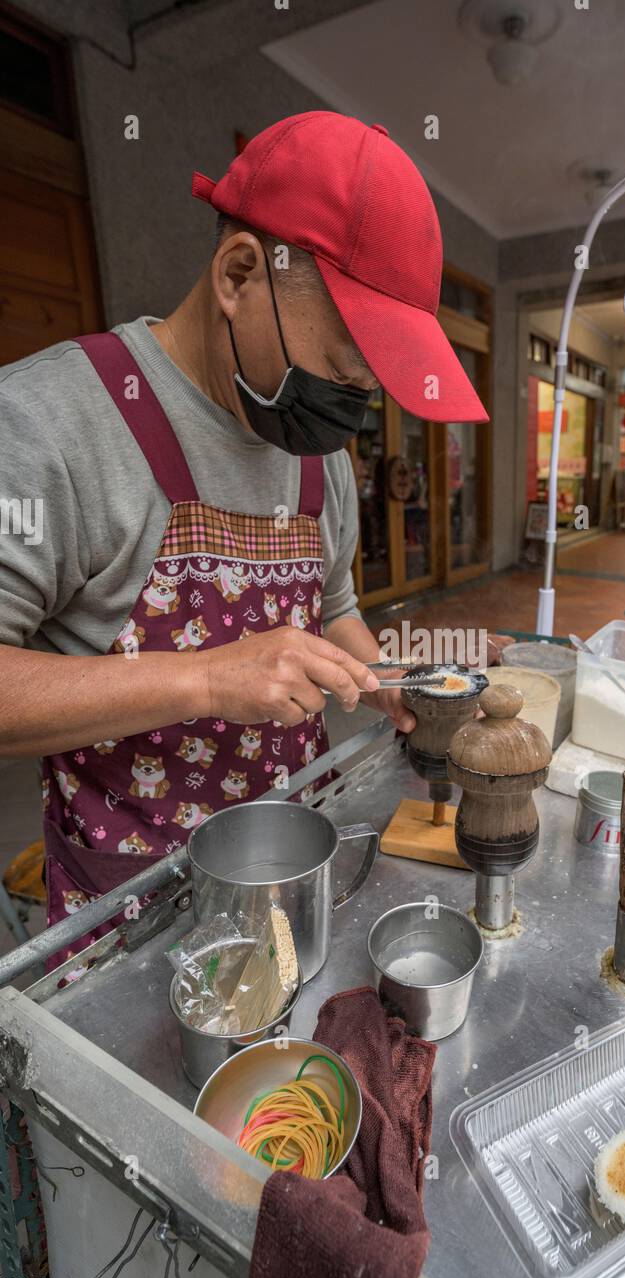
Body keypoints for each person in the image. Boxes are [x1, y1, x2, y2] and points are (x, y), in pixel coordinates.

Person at [0, 111, 487, 969]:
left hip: (298, 872)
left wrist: (377, 683)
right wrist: (205, 676)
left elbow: (331, 605)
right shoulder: (50, 426)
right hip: (131, 915)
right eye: (342, 369)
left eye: (366, 386)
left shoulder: (315, 454)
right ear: (238, 274)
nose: (350, 405)